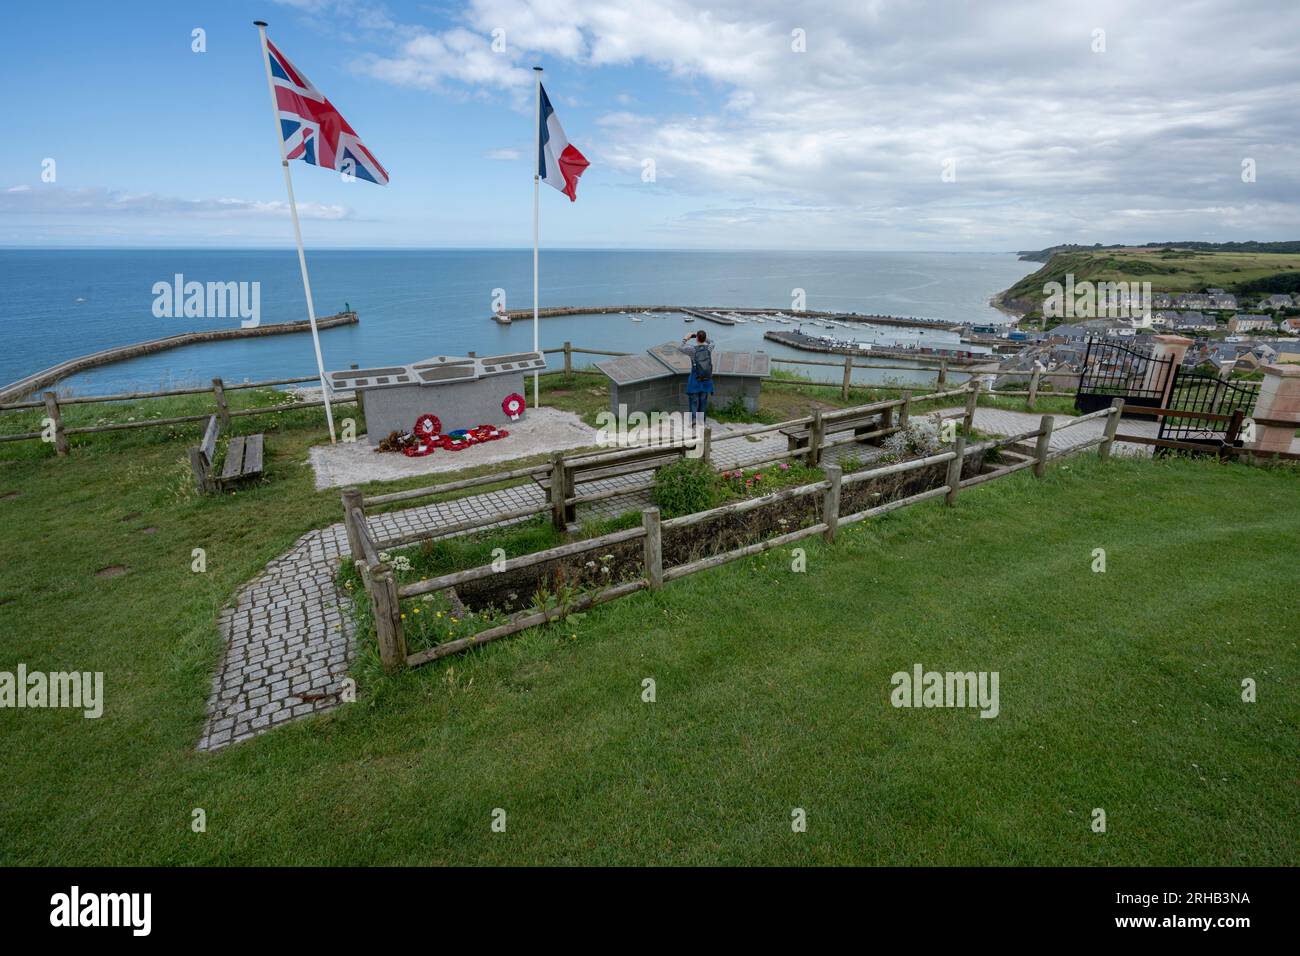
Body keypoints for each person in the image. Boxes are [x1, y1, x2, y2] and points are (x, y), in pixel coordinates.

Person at [678, 330, 715, 429]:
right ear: (704, 338)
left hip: (695, 379)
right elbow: (712, 342)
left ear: (697, 338)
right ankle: (702, 422)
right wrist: (701, 336)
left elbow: (680, 347)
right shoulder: (709, 348)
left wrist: (687, 338)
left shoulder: (692, 350)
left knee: (694, 401)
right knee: (703, 401)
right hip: (706, 380)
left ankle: (694, 422)